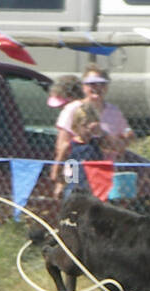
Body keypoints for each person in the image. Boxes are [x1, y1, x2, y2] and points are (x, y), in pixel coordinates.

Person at [53, 65, 136, 197]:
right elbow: (62, 146)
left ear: (107, 87)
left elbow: (123, 142)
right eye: (92, 84)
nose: (97, 88)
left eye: (101, 84)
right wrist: (61, 181)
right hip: (77, 172)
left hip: (105, 174)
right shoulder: (73, 109)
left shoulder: (113, 111)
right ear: (84, 87)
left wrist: (110, 137)